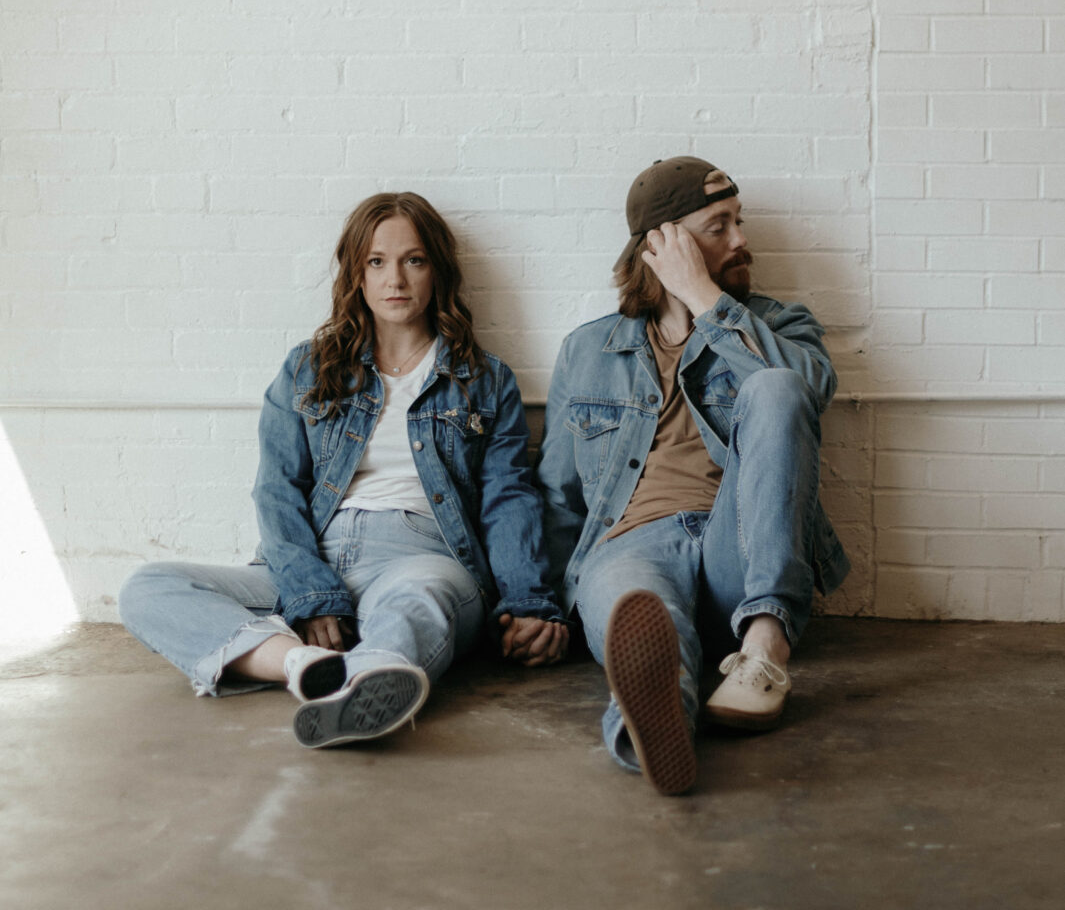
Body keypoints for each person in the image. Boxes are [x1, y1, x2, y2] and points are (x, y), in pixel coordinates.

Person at [120, 192, 568, 749]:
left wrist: (527, 602)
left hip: (425, 556)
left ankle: (369, 683)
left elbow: (508, 497)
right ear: (356, 273)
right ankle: (305, 666)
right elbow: (277, 491)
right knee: (149, 587)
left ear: (438, 272)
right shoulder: (309, 368)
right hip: (316, 557)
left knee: (418, 602)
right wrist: (310, 594)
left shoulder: (482, 379)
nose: (395, 278)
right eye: (376, 262)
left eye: (414, 259)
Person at [536, 156, 849, 795]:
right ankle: (654, 725)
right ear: (662, 245)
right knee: (641, 613)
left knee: (778, 386)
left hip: (738, 550)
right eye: (718, 226)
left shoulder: (779, 325)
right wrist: (536, 606)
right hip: (630, 546)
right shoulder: (587, 350)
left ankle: (765, 648)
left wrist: (707, 301)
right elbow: (558, 494)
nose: (740, 241)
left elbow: (809, 391)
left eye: (739, 222)